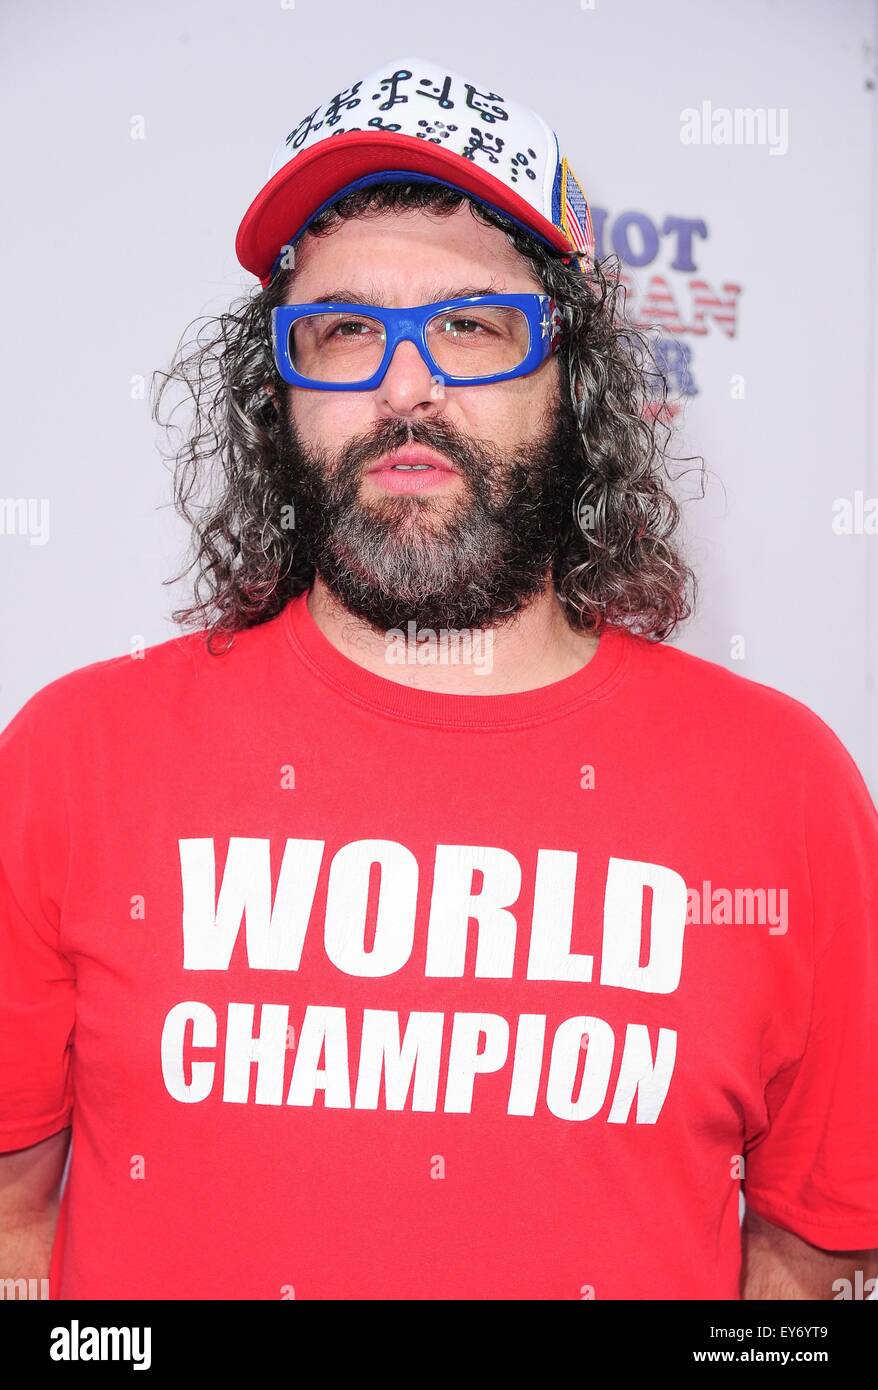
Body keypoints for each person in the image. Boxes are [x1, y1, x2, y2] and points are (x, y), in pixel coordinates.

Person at [1, 55, 876, 1302]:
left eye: (470, 326)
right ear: (276, 390)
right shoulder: (69, 760)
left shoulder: (783, 791)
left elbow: (807, 1259)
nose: (403, 387)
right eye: (343, 329)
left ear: (570, 377)